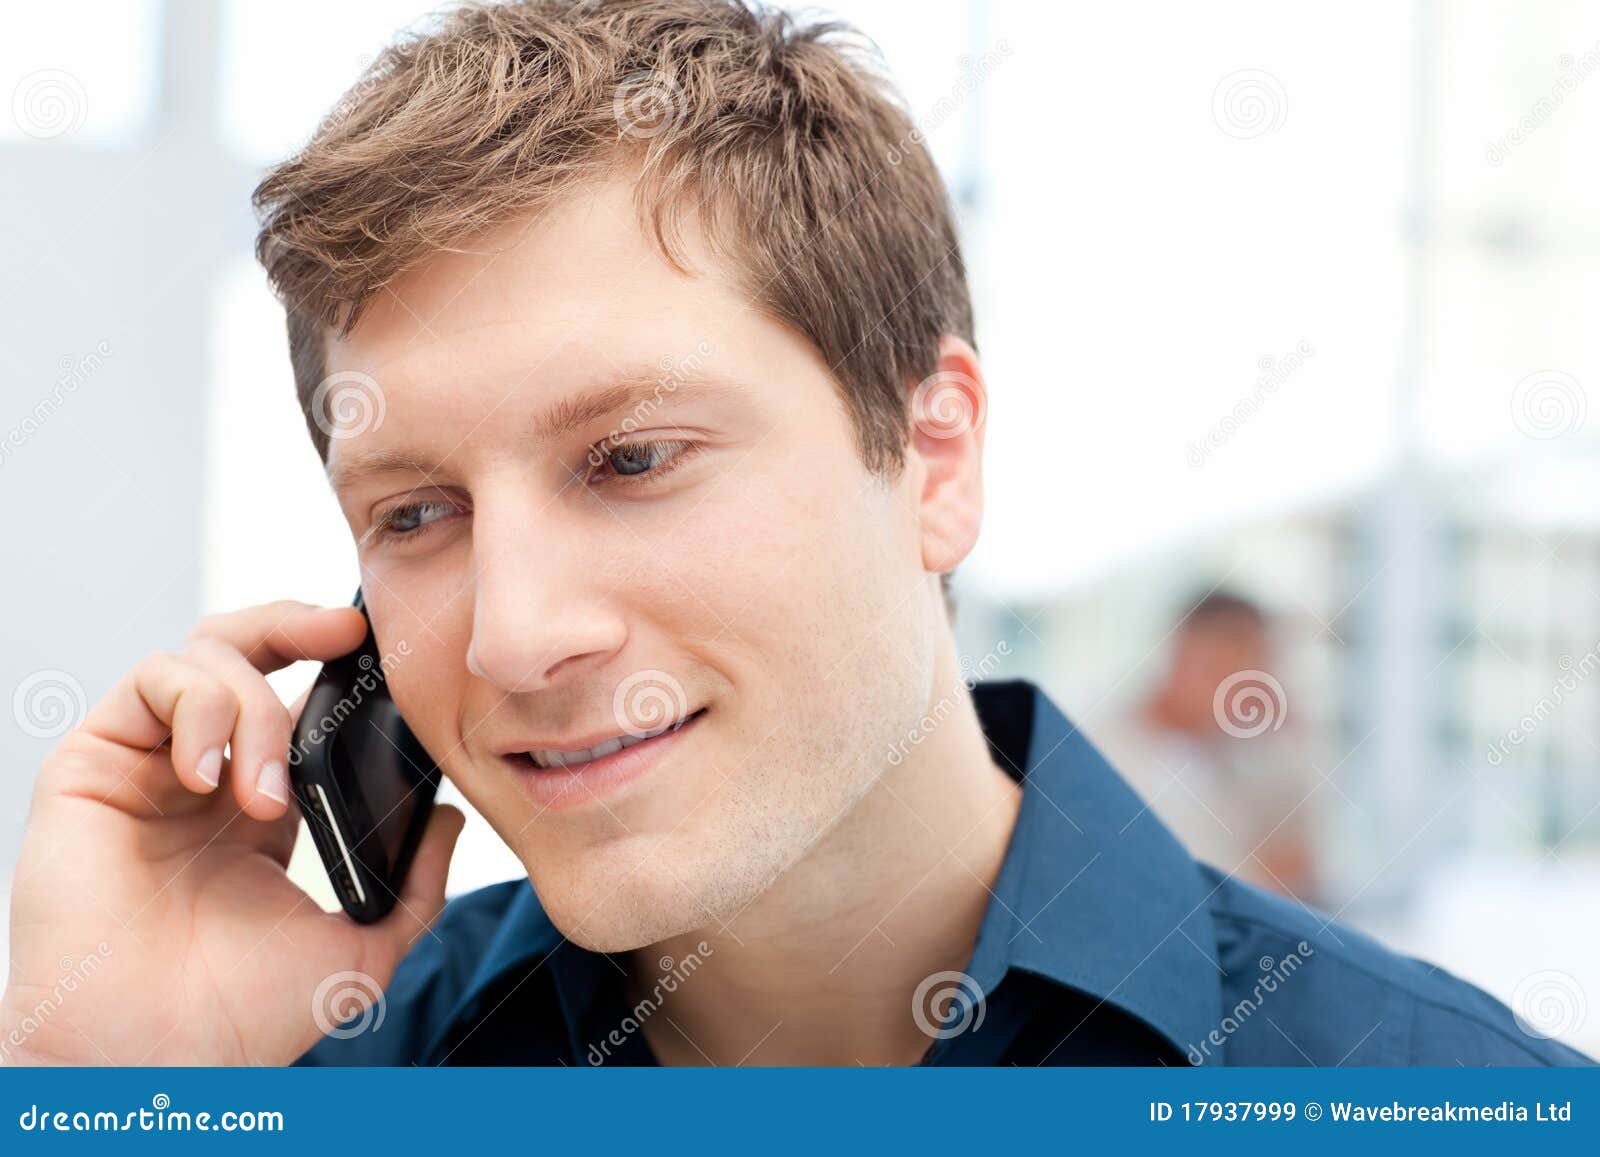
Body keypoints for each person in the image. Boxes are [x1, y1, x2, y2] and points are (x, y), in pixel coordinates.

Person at [2, 0, 1589, 1067]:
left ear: (935, 458)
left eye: (629, 457)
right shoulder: (307, 1081)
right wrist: (104, 1086)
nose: (511, 633)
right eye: (416, 513)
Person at [1093, 591, 1321, 903]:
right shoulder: (1105, 753)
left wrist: (1289, 745)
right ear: (1184, 655)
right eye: (1227, 668)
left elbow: (1298, 874)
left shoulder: (1244, 758)